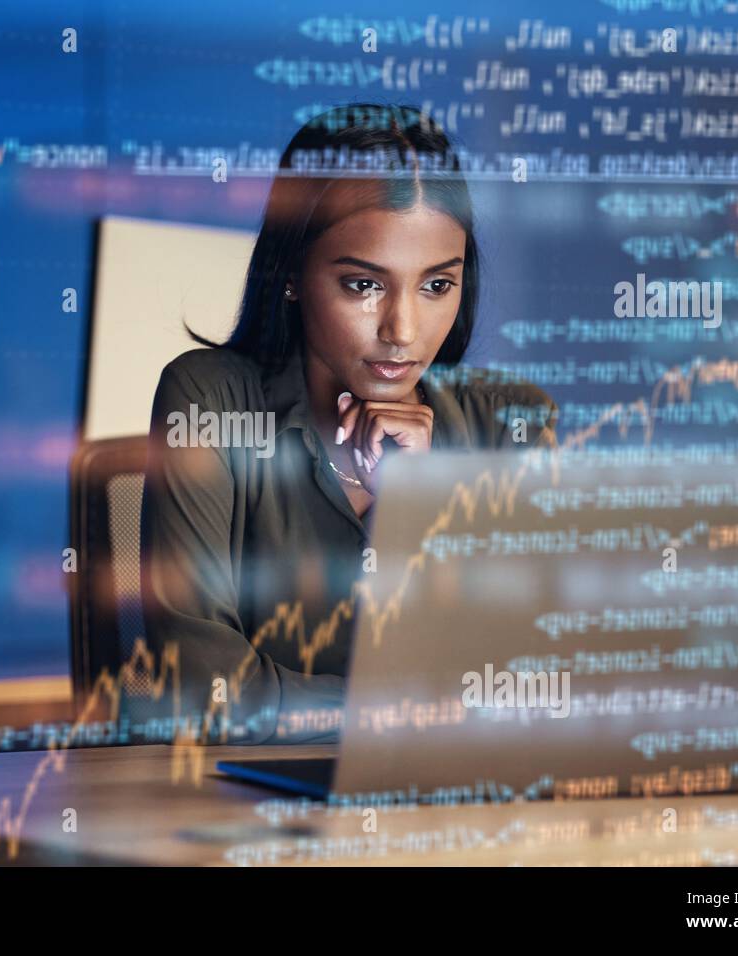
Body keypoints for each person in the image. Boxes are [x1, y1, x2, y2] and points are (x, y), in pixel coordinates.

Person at [134, 104, 558, 745]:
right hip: (239, 816)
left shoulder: (511, 424)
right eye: (363, 285)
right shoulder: (211, 402)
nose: (404, 332)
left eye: (437, 286)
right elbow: (207, 688)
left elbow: (536, 686)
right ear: (290, 275)